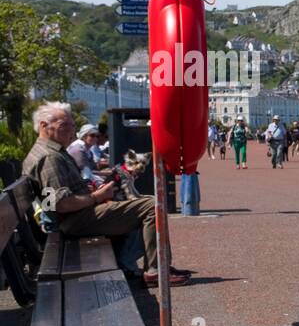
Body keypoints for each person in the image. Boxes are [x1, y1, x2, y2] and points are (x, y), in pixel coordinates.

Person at [23, 102, 191, 287]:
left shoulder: (52, 152)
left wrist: (94, 192)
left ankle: (138, 264)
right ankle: (155, 270)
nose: (71, 131)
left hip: (75, 216)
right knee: (151, 206)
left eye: (72, 125)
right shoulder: (50, 158)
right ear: (43, 126)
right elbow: (59, 204)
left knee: (141, 202)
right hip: (73, 221)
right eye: (65, 126)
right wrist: (97, 196)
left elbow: (55, 199)